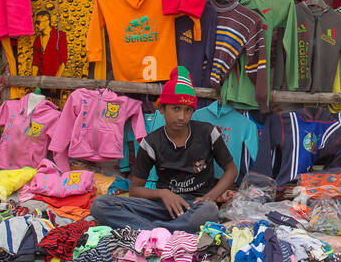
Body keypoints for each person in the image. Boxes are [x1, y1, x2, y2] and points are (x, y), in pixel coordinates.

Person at [90, 66, 237, 232]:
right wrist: (162, 194)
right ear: (161, 109)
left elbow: (231, 170)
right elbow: (135, 190)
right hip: (161, 206)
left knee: (209, 211)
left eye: (187, 110)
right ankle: (164, 230)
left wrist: (209, 198)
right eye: (176, 109)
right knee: (100, 205)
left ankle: (152, 230)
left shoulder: (207, 133)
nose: (182, 116)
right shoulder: (151, 143)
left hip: (194, 207)